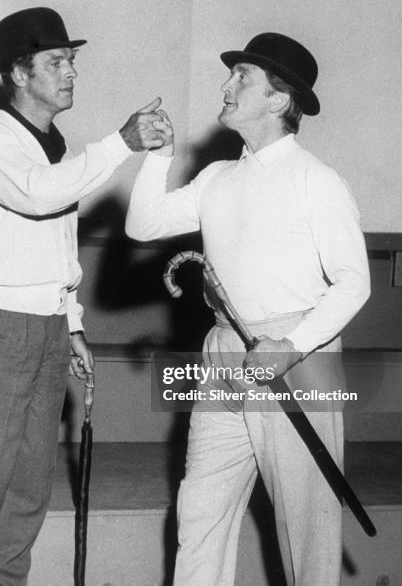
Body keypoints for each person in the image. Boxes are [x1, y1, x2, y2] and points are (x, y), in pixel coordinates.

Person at [126, 32, 370, 585]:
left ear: (278, 100)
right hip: (223, 352)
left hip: (297, 357)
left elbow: (355, 282)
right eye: (231, 75)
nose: (225, 85)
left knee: (307, 526)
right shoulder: (218, 177)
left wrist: (290, 347)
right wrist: (156, 159)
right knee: (199, 509)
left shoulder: (317, 180)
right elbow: (143, 225)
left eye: (242, 79)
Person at [0, 7, 171, 585]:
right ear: (19, 74)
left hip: (45, 325)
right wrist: (120, 145)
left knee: (28, 484)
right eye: (56, 61)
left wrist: (71, 323)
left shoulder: (53, 141)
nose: (71, 71)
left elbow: (55, 240)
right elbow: (38, 196)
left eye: (72, 61)